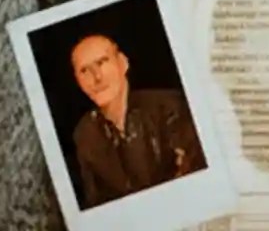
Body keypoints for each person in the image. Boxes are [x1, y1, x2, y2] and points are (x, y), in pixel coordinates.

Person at [69, 34, 206, 208]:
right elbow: (96, 203)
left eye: (102, 62)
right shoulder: (85, 134)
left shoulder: (170, 107)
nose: (96, 77)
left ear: (123, 62)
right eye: (84, 70)